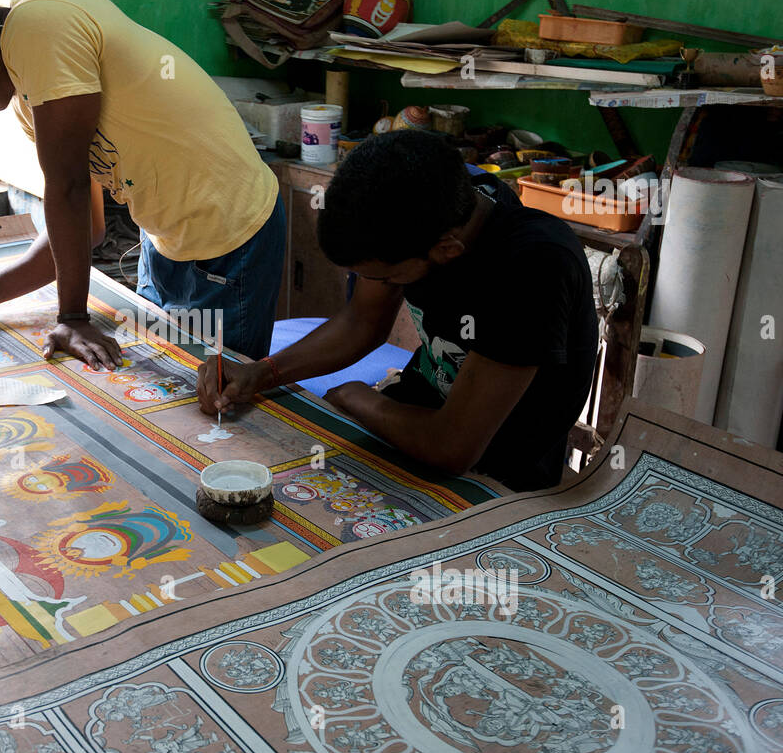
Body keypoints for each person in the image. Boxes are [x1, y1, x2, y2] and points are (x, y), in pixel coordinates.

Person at [0, 0, 284, 369]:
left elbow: (67, 188)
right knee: (163, 391)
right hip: (165, 242)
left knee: (220, 405)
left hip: (229, 238)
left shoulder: (40, 27)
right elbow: (85, 227)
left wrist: (71, 316)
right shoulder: (30, 93)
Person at [197, 130, 599, 492]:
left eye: (389, 280)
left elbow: (451, 448)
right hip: (407, 420)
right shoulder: (437, 198)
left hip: (496, 476)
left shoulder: (532, 266)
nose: (382, 287)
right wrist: (261, 372)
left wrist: (357, 397)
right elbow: (361, 321)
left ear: (447, 250)